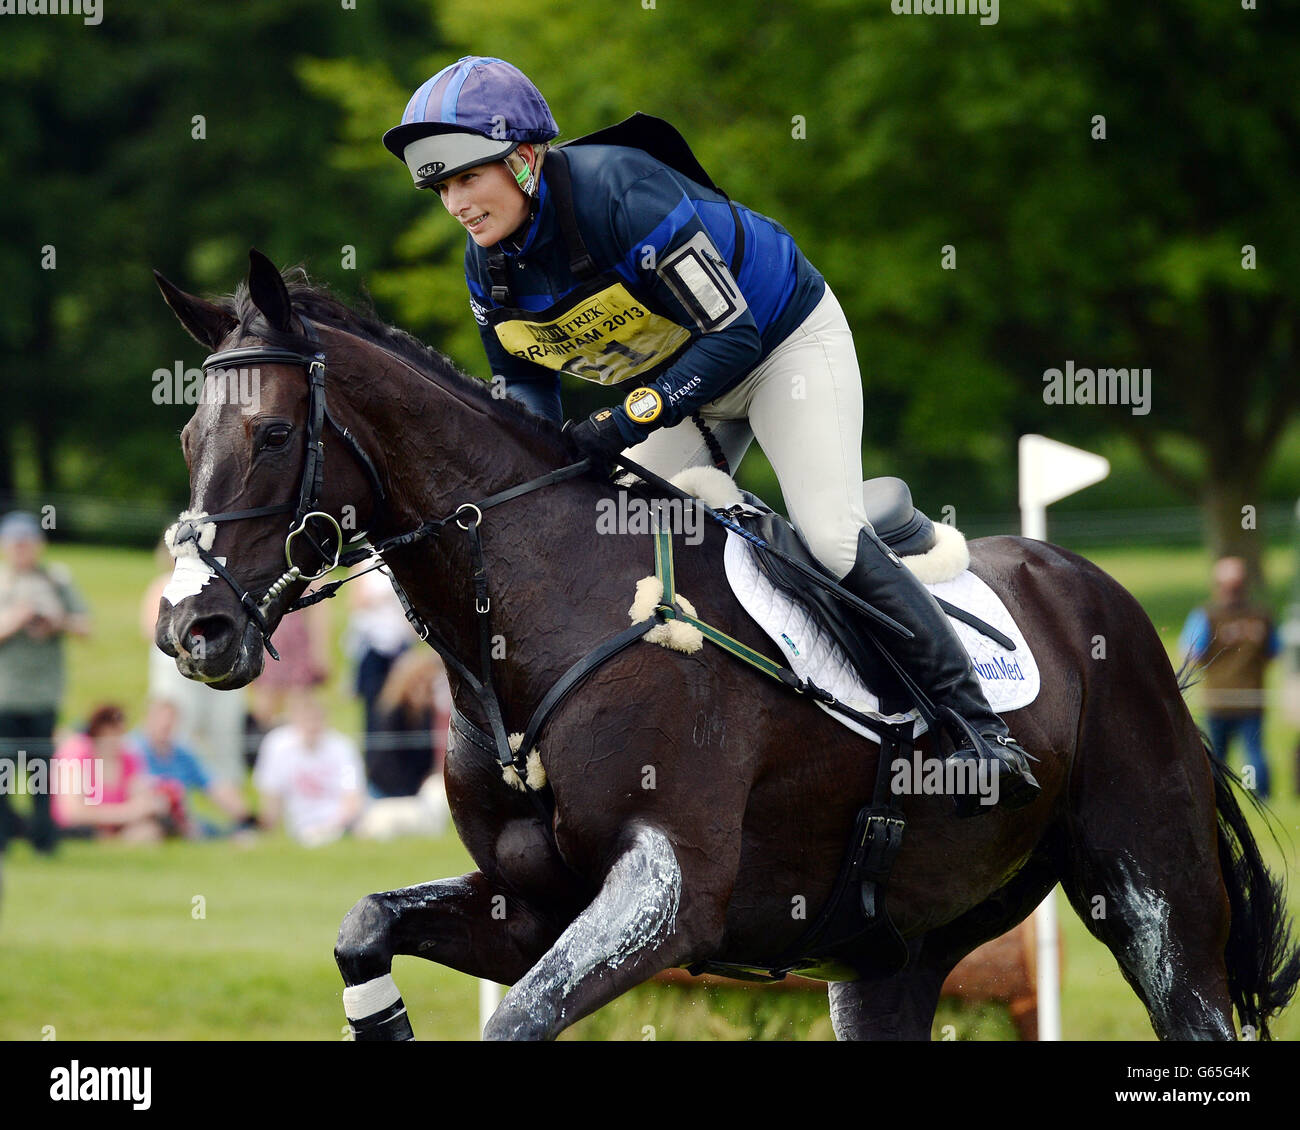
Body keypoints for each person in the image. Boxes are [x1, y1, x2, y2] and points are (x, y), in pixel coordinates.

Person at [381, 56, 1038, 812]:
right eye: (441, 188)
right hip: (680, 381)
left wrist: (624, 419)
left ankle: (981, 730)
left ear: (525, 159)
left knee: (829, 538)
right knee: (603, 534)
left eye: (468, 178)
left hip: (778, 347)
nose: (456, 204)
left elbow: (734, 337)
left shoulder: (621, 195)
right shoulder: (488, 267)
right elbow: (523, 389)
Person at [0, 510, 91, 853]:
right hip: (4, 696)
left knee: (41, 775)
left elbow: (85, 626)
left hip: (43, 696)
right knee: (2, 775)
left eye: (28, 544)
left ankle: (44, 842)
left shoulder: (56, 580)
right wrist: (17, 618)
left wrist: (57, 621)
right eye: (16, 544)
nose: (23, 550)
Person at [141, 539, 249, 787]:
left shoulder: (220, 587)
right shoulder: (163, 586)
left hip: (217, 666)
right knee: (179, 721)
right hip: (175, 667)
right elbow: (152, 629)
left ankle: (226, 781)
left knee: (224, 722)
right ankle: (176, 778)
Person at [1180, 555, 1279, 798]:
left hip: (1218, 698)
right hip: (1252, 696)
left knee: (1216, 754)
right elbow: (1274, 652)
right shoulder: (1261, 616)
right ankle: (1261, 797)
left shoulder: (1206, 615)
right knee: (1253, 751)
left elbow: (1191, 652)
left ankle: (1214, 795)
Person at [130, 698, 255, 838]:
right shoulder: (131, 749)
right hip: (142, 818)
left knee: (219, 833)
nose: (165, 726)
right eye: (160, 721)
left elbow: (213, 784)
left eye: (169, 724)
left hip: (181, 820)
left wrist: (247, 817)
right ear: (148, 719)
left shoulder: (182, 751)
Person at [253, 692, 364, 846]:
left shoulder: (342, 747)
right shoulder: (277, 746)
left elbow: (352, 797)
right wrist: (266, 832)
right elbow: (271, 797)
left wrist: (332, 827)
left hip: (339, 825)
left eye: (316, 718)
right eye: (306, 719)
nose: (312, 725)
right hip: (301, 827)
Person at [52, 705, 170, 842]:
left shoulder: (128, 757)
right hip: (79, 829)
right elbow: (72, 812)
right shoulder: (76, 754)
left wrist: (151, 803)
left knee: (148, 832)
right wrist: (127, 812)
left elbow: (140, 792)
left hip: (117, 827)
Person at [366, 648, 450, 799]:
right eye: (418, 683)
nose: (422, 689)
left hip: (414, 789)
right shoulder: (392, 712)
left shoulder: (429, 713)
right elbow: (386, 762)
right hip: (389, 788)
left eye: (427, 684)